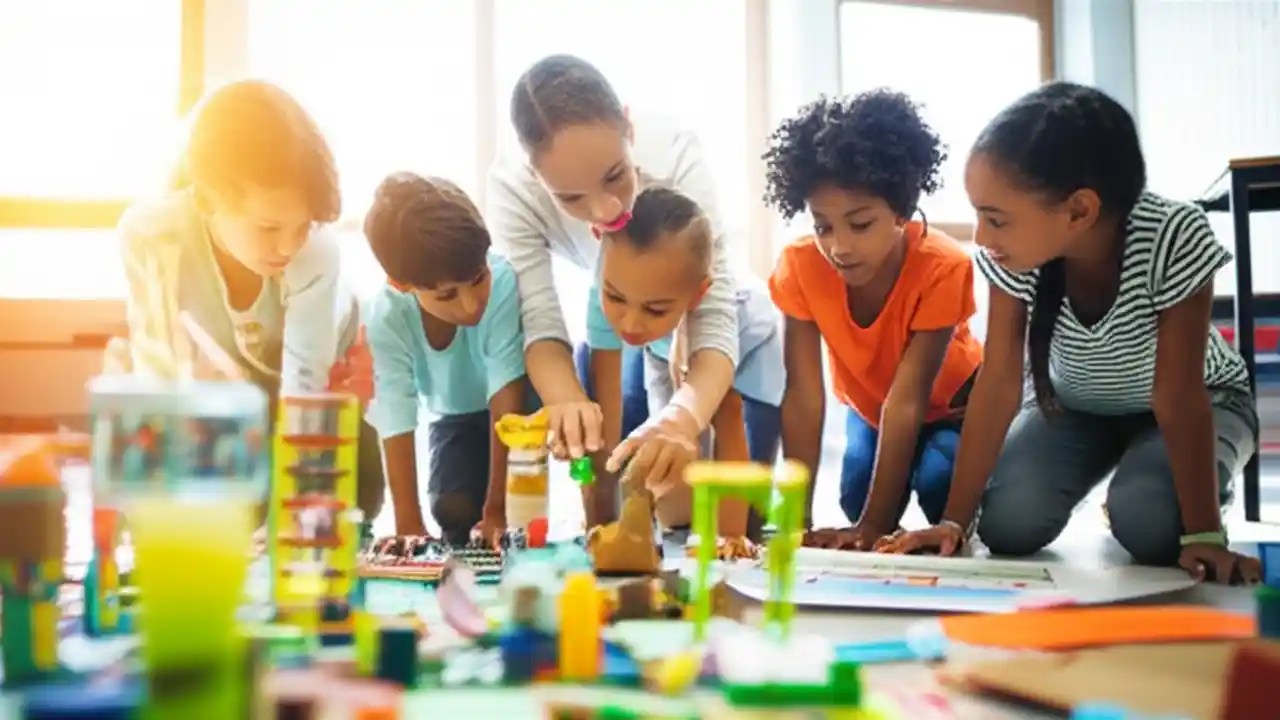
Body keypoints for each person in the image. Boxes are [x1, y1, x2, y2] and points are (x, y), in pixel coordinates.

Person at [881, 83, 1261, 584]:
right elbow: (997, 383)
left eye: (995, 219)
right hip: (1077, 408)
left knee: (1154, 528)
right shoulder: (1016, 256)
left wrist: (1205, 535)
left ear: (1079, 211)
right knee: (1008, 525)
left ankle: (1170, 488)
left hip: (1200, 403)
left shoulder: (1175, 233)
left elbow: (1178, 393)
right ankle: (1132, 477)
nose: (982, 238)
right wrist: (954, 522)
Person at [113, 79, 383, 519]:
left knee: (325, 530)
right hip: (228, 413)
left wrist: (293, 517)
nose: (288, 246)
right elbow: (160, 378)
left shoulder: (316, 251)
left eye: (303, 226)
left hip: (325, 410)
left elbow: (304, 396)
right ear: (205, 200)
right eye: (268, 227)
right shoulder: (152, 235)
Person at [487, 54, 739, 525]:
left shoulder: (677, 159)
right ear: (534, 173)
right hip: (618, 306)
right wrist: (565, 398)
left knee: (676, 488)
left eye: (615, 176)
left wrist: (683, 417)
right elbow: (539, 320)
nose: (605, 211)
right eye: (570, 198)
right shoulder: (513, 191)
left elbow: (716, 317)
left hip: (674, 327)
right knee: (607, 435)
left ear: (628, 126)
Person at [763, 90, 982, 550]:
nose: (839, 246)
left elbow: (908, 400)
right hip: (871, 410)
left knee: (939, 484)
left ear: (900, 210)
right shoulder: (800, 266)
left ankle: (958, 467)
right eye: (823, 225)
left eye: (860, 224)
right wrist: (796, 524)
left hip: (949, 411)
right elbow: (803, 395)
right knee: (856, 493)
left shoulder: (943, 266)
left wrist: (872, 529)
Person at [590, 186, 783, 546]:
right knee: (675, 505)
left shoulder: (718, 319)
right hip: (666, 346)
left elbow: (726, 412)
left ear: (697, 295)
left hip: (749, 350)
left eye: (653, 308)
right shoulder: (611, 291)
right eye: (615, 298)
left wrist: (731, 538)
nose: (629, 324)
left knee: (749, 516)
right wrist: (604, 522)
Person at [362, 173, 532, 546]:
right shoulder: (385, 317)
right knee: (452, 508)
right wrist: (409, 524)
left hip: (521, 409)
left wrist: (497, 511)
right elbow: (396, 414)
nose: (471, 305)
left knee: (524, 510)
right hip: (458, 414)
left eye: (477, 279)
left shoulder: (502, 280)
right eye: (447, 295)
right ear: (401, 284)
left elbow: (506, 390)